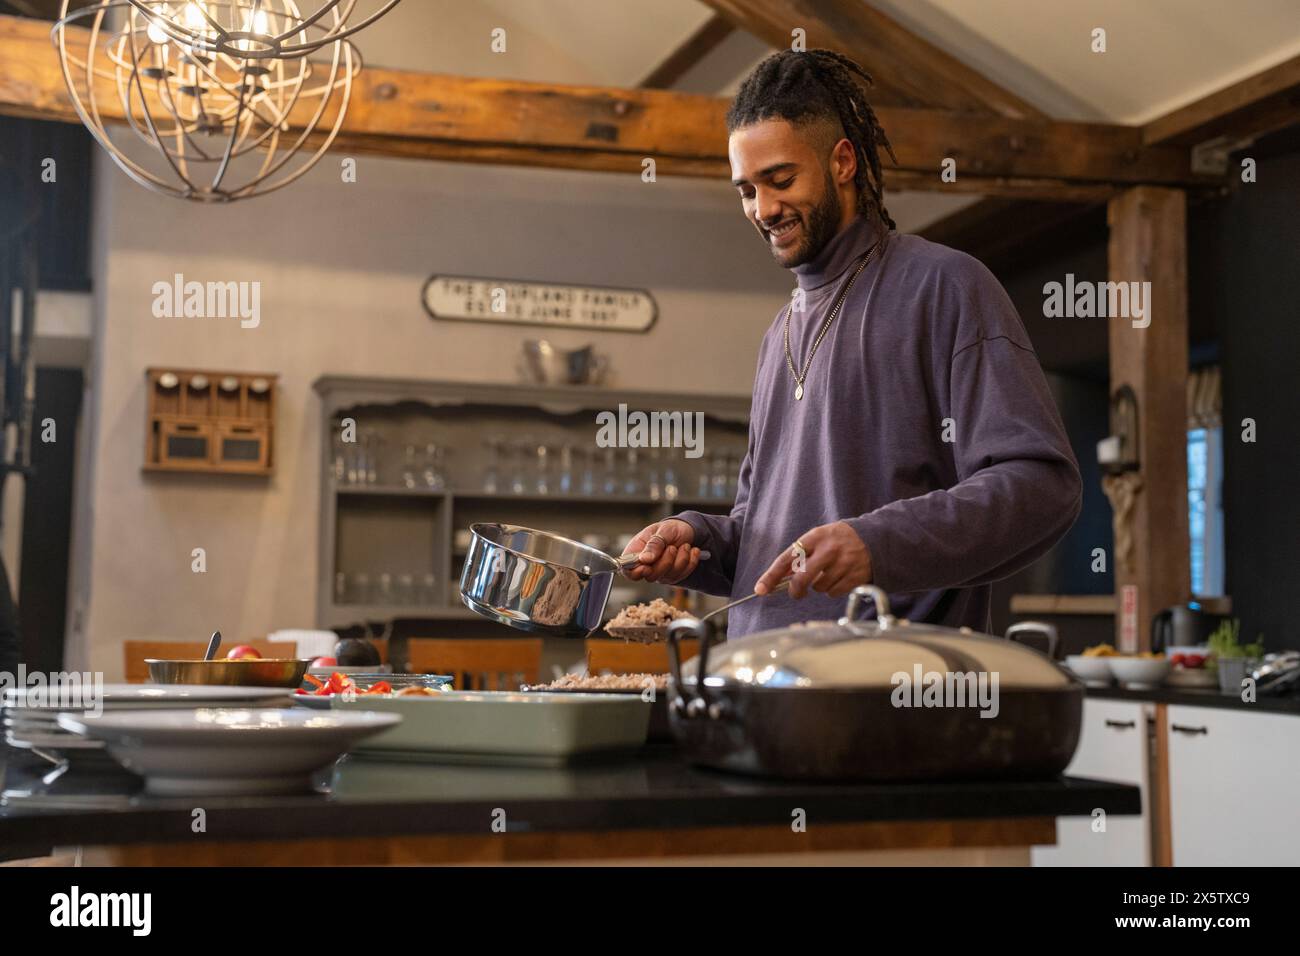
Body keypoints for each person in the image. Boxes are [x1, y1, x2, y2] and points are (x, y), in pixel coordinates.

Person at [624, 49, 1081, 637]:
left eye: (780, 180)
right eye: (746, 190)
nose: (763, 209)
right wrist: (700, 541)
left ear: (842, 162)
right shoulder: (778, 332)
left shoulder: (945, 286)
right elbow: (768, 539)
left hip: (889, 692)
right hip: (760, 686)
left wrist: (876, 545)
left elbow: (1042, 488)